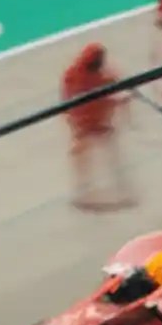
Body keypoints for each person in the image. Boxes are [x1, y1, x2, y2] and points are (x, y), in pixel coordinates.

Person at [62, 42, 135, 211]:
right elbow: (113, 95)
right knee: (106, 154)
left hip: (86, 122)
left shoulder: (73, 74)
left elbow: (66, 97)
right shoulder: (102, 77)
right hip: (94, 122)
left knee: (85, 156)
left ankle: (84, 190)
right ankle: (113, 189)